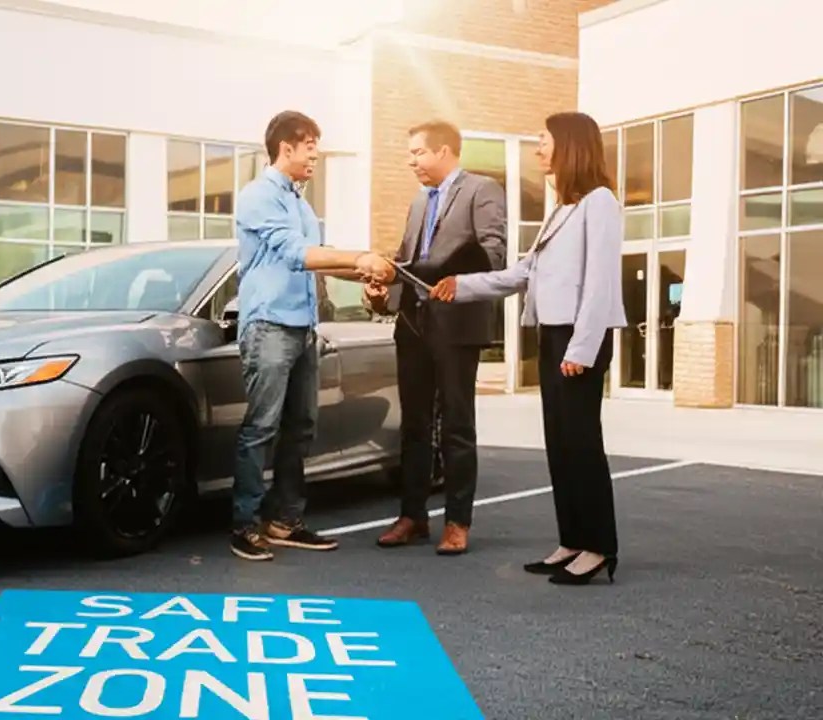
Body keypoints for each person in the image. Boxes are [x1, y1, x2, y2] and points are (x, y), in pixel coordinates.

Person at [427, 111, 627, 585]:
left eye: (544, 140)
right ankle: (572, 540)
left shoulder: (600, 202)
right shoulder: (562, 209)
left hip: (580, 338)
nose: (538, 149)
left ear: (570, 144)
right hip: (554, 335)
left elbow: (599, 283)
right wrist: (462, 284)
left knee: (581, 447)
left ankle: (599, 547)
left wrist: (580, 348)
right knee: (559, 446)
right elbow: (521, 274)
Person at [229, 110, 394, 562]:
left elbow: (318, 260)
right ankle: (245, 525)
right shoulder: (258, 196)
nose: (315, 158)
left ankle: (284, 520)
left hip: (303, 328)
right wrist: (360, 256)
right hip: (268, 326)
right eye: (310, 149)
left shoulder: (301, 204)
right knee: (261, 428)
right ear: (286, 147)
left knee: (301, 428)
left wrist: (363, 272)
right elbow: (295, 253)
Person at [364, 120, 505, 556]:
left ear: (444, 151)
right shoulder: (419, 202)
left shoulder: (483, 190)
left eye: (418, 153)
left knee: (457, 426)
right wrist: (383, 289)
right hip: (413, 327)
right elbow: (409, 261)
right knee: (415, 426)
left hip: (457, 326)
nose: (412, 162)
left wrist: (423, 272)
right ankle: (413, 517)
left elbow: (492, 254)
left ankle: (458, 522)